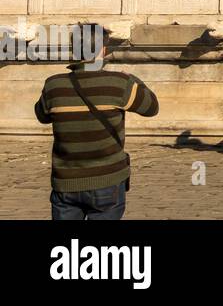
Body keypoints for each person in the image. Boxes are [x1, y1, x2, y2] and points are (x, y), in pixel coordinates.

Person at [34, 23, 160, 220]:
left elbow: (41, 116)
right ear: (103, 49)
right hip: (107, 181)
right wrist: (133, 79)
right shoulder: (119, 83)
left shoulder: (53, 84)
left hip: (66, 182)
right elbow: (152, 107)